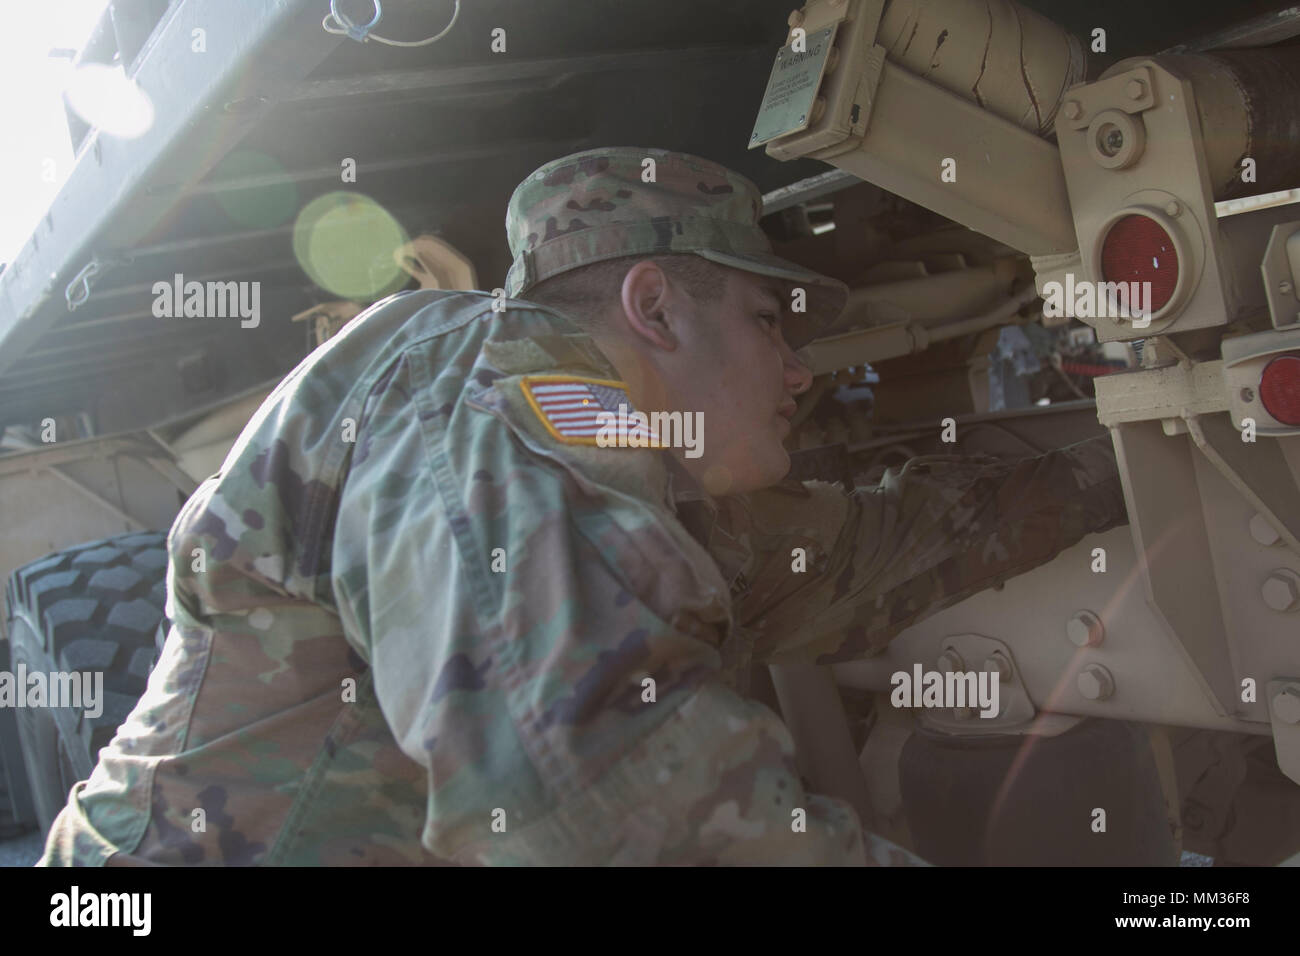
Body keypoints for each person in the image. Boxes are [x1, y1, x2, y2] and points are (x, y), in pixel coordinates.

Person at [39, 147, 1127, 866]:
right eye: (768, 323)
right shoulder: (490, 406)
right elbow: (609, 807)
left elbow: (858, 556)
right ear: (652, 304)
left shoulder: (613, 455)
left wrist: (1109, 470)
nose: (799, 371)